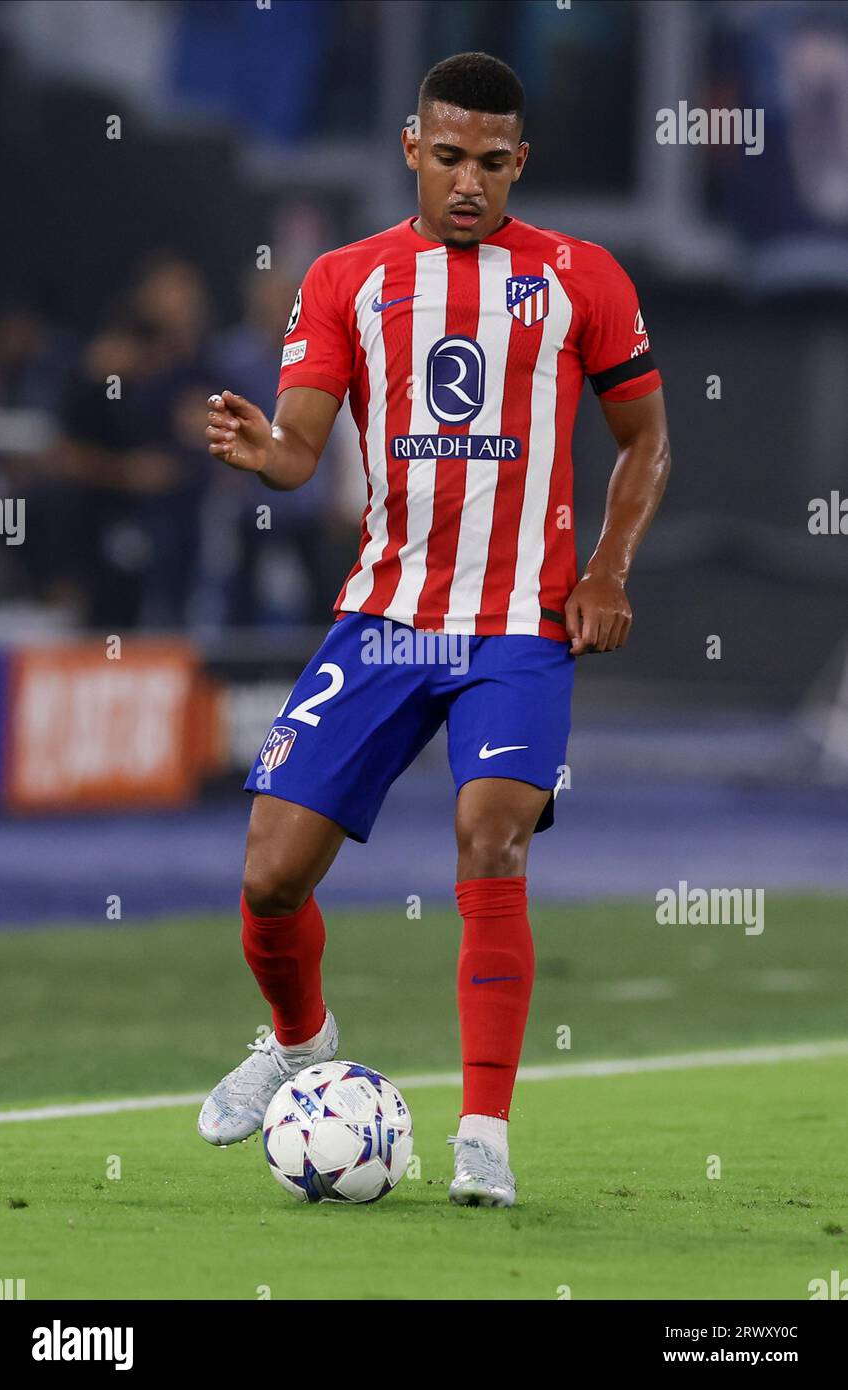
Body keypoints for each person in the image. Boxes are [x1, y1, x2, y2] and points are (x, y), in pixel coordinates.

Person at [198, 52, 670, 1207]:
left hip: (517, 625)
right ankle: (301, 1041)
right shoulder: (348, 278)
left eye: (491, 161)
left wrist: (606, 567)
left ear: (522, 162)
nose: (469, 180)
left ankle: (481, 1131)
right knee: (268, 878)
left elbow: (645, 440)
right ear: (411, 149)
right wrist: (272, 456)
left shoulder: (579, 278)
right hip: (384, 621)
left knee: (491, 833)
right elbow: (304, 447)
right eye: (447, 156)